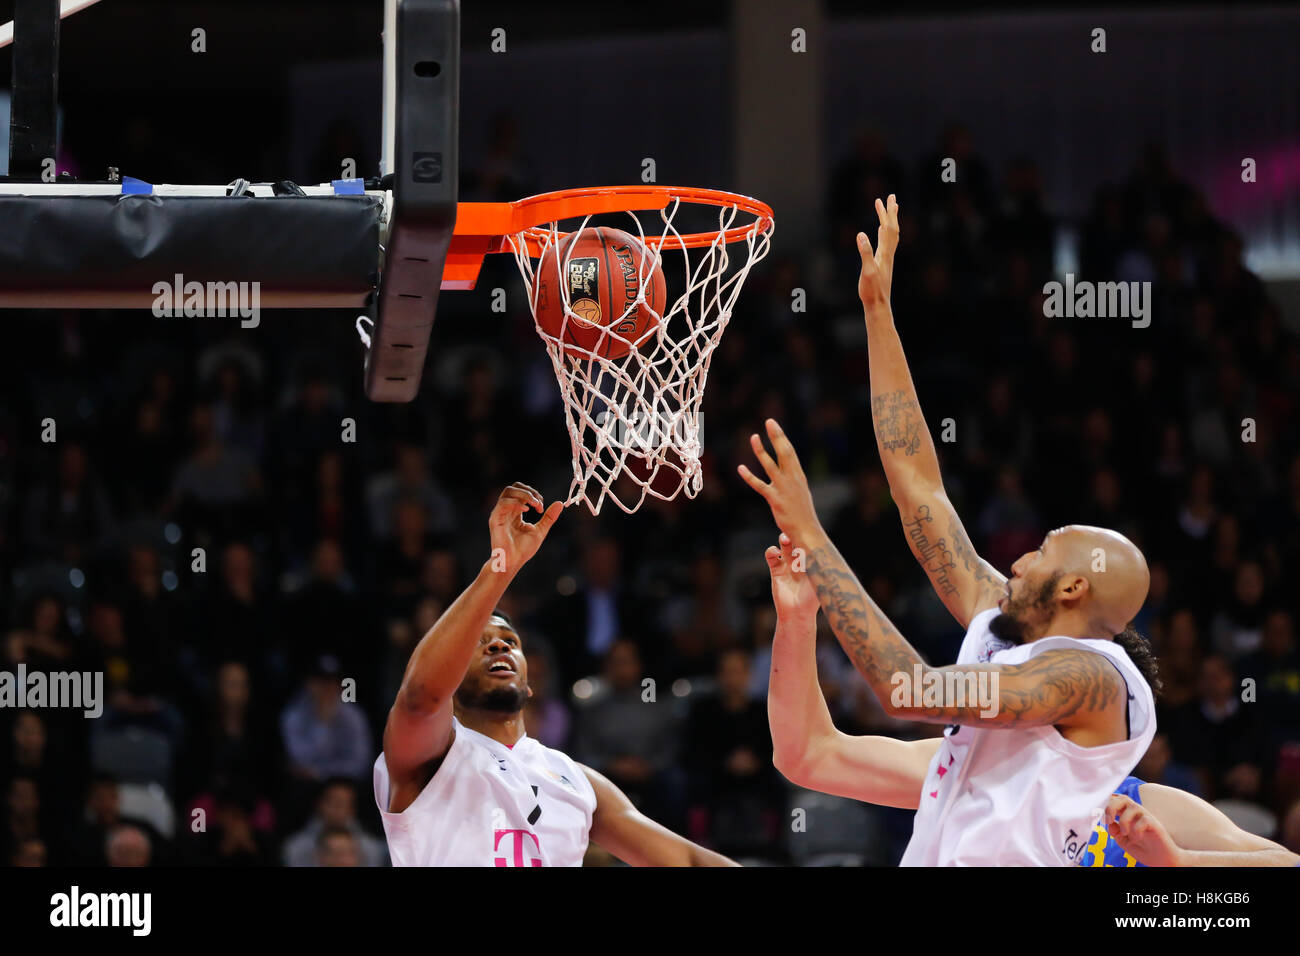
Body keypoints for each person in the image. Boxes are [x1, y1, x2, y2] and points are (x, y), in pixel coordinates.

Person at [741, 196, 1157, 865]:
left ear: (1076, 586)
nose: (1018, 561)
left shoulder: (1092, 676)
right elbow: (918, 488)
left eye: (1042, 553)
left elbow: (911, 691)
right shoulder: (1004, 634)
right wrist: (878, 314)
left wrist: (815, 541)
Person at [761, 531, 1297, 867]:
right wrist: (798, 619)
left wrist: (1176, 865)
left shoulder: (1137, 806)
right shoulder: (972, 766)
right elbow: (807, 754)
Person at [373, 482, 736, 867]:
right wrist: (501, 567)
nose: (499, 647)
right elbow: (420, 697)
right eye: (480, 642)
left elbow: (689, 861)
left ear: (531, 685)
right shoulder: (431, 757)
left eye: (510, 641)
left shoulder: (576, 780)